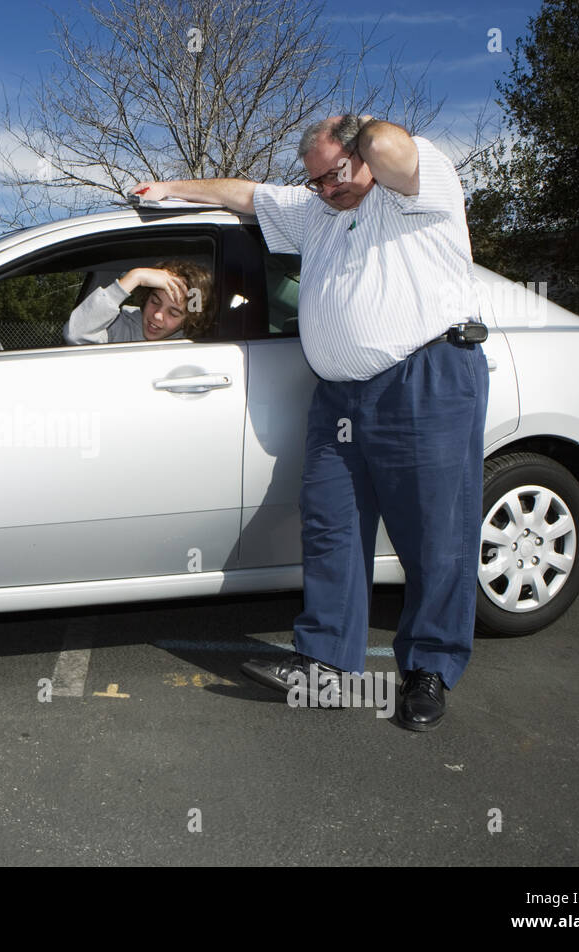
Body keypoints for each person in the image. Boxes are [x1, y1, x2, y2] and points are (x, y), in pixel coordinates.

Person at [131, 114, 488, 731]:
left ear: (361, 152)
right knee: (330, 527)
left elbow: (388, 148)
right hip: (340, 398)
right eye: (315, 180)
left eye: (335, 175)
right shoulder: (315, 211)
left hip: (425, 380)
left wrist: (361, 133)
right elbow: (243, 195)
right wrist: (172, 187)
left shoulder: (419, 187)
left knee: (434, 534)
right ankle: (328, 664)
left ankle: (429, 667)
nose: (326, 189)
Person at [65, 260, 215, 344]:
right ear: (146, 297)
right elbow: (75, 334)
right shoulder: (118, 324)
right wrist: (136, 276)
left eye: (173, 313)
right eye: (155, 301)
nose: (157, 315)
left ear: (189, 320)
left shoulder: (194, 346)